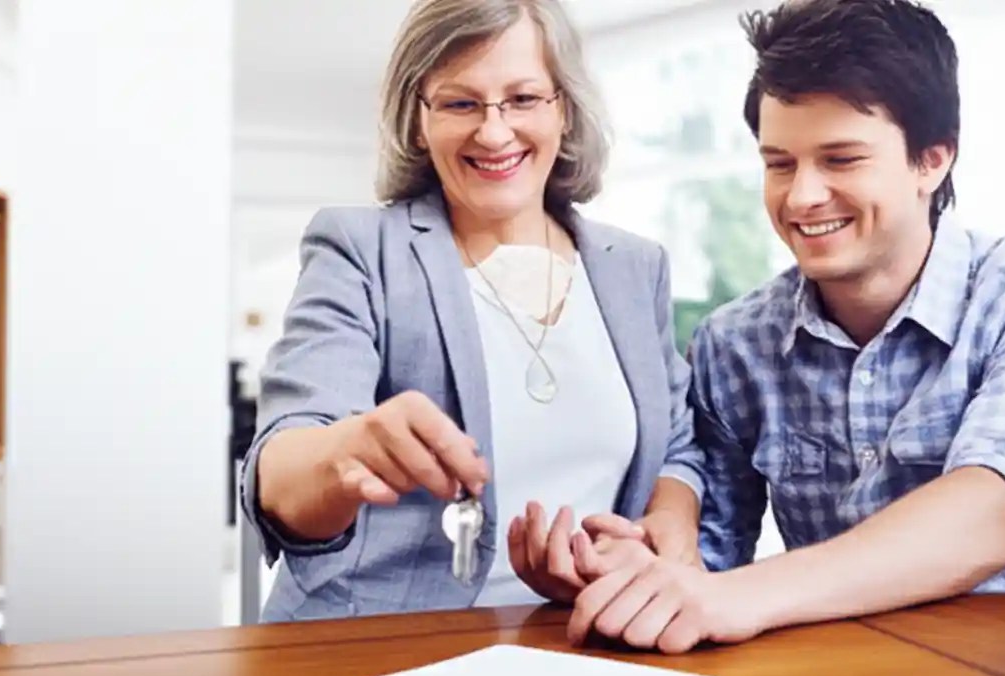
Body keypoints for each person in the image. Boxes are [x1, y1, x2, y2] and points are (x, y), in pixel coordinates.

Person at [566, 0, 1005, 654]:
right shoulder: (735, 343)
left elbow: (991, 517)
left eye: (842, 159)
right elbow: (697, 558)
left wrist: (739, 596)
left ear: (932, 159)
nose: (801, 197)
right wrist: (628, 566)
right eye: (779, 163)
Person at [241, 0, 703, 622]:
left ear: (563, 108)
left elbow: (676, 447)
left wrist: (665, 531)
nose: (493, 130)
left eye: (522, 98)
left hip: (580, 637)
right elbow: (280, 470)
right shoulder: (360, 250)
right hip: (381, 652)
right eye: (461, 103)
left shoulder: (634, 267)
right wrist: (344, 453)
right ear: (417, 121)